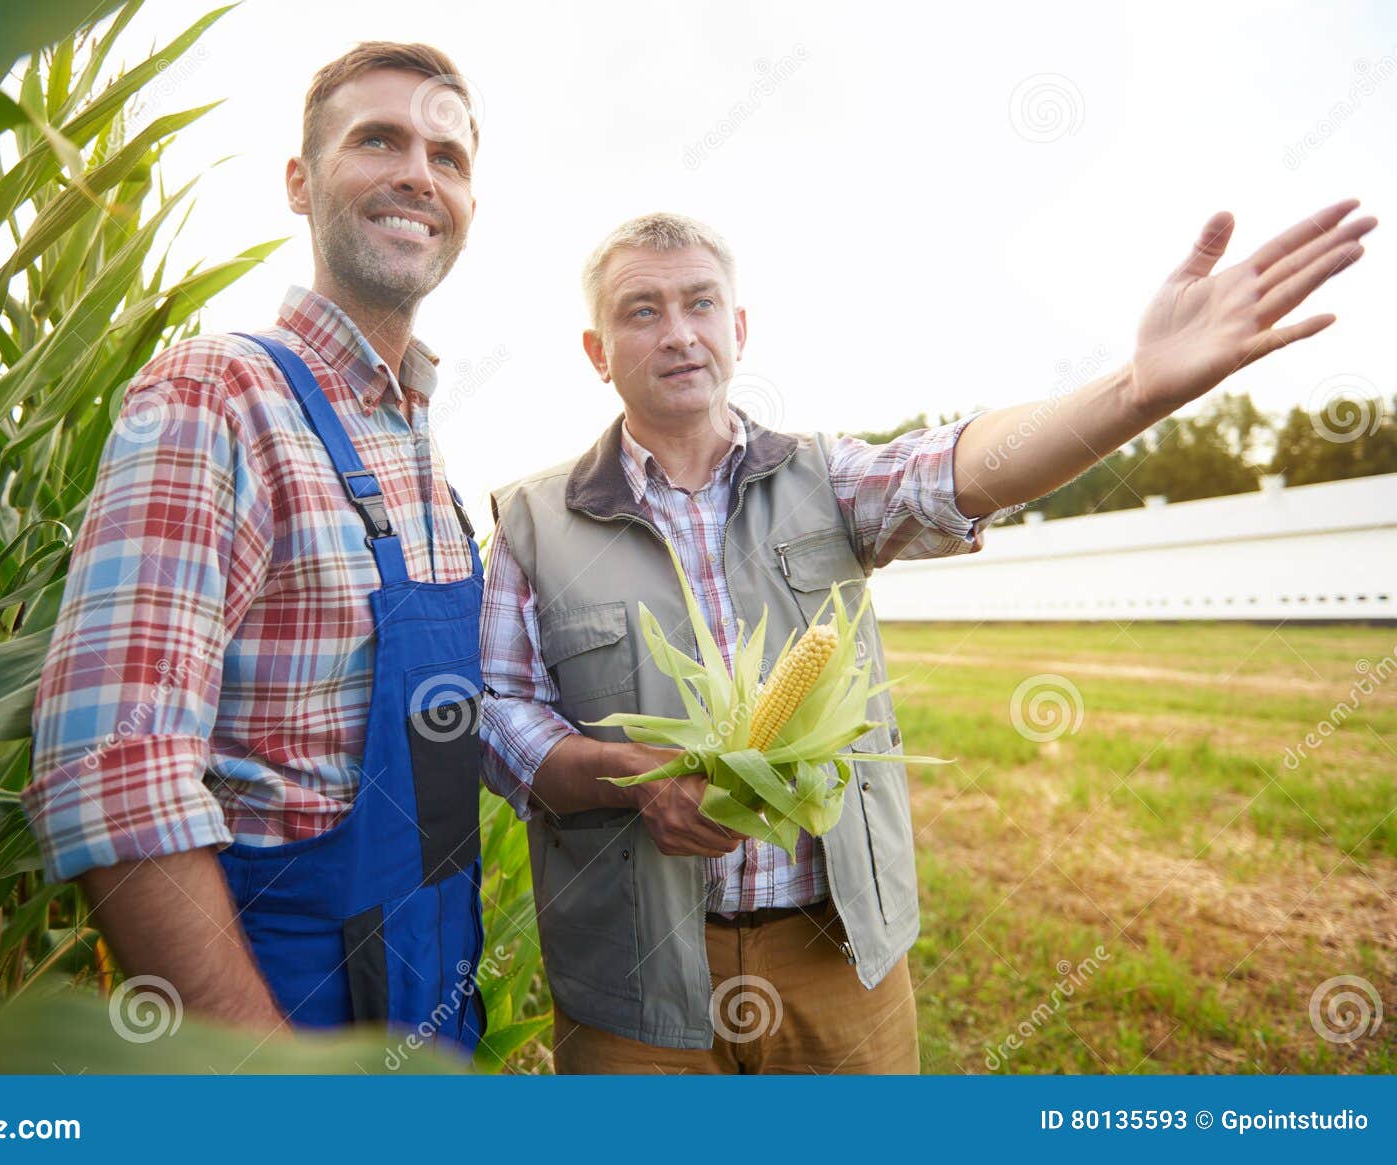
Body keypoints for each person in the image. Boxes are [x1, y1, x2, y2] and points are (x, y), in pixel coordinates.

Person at [480, 202, 1372, 1073]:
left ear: (738, 329)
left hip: (836, 956)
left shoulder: (826, 477)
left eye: (700, 302)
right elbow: (501, 717)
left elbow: (958, 466)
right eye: (642, 311)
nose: (679, 333)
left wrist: (1133, 390)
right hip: (632, 976)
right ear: (597, 351)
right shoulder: (531, 522)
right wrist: (631, 780)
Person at [23, 42, 487, 1049]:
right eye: (378, 140)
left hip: (429, 997)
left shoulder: (423, 452)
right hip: (288, 1022)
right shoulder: (217, 397)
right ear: (299, 183)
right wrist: (265, 1078)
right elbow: (112, 771)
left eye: (448, 158)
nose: (420, 175)